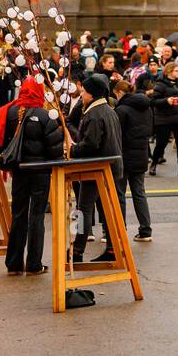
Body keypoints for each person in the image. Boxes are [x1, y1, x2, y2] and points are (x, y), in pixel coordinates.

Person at [0, 76, 64, 274]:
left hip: (19, 170)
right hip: (40, 172)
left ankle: (14, 264)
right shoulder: (46, 116)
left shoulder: (9, 113)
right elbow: (54, 150)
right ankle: (34, 264)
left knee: (18, 215)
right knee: (37, 216)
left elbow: (0, 143)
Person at [70, 73, 122, 261]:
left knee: (82, 209)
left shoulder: (94, 114)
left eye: (83, 91)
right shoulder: (108, 110)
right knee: (105, 208)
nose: (81, 94)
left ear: (91, 94)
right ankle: (112, 248)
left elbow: (90, 145)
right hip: (110, 166)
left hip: (95, 168)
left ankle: (77, 251)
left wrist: (72, 149)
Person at [114, 79, 154, 241]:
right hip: (141, 154)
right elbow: (151, 129)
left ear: (119, 93)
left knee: (119, 194)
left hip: (124, 155)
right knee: (139, 193)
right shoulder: (146, 107)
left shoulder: (121, 110)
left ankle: (121, 229)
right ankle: (145, 230)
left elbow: (117, 135)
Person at [149, 60, 178, 174]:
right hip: (164, 119)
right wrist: (166, 101)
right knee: (161, 144)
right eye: (176, 71)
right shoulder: (160, 85)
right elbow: (153, 101)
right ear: (168, 72)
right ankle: (154, 163)